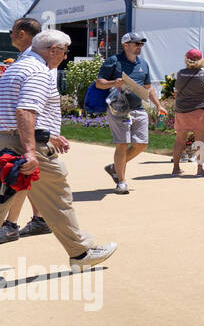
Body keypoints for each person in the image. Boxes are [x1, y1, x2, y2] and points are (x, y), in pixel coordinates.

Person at [0, 30, 116, 268]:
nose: (65, 58)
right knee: (58, 196)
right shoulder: (39, 72)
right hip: (26, 144)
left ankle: (80, 250)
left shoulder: (16, 68)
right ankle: (80, 253)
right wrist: (31, 151)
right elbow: (25, 111)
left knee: (6, 200)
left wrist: (50, 134)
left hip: (9, 139)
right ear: (53, 50)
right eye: (64, 52)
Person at [96, 31, 166, 194]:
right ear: (125, 45)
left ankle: (115, 167)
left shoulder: (144, 64)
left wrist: (158, 105)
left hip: (138, 109)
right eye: (136, 44)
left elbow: (148, 88)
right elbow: (99, 83)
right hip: (118, 109)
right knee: (122, 144)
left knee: (141, 144)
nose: (139, 47)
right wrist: (114, 82)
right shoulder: (113, 61)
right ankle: (121, 181)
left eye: (141, 44)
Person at [2, 17, 49, 240]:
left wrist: (47, 134)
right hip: (21, 133)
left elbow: (37, 103)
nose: (10, 35)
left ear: (22, 33)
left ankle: (14, 223)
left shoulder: (36, 61)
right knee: (20, 180)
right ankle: (18, 222)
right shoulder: (28, 59)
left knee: (15, 181)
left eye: (12, 31)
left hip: (22, 134)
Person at [170, 48, 204, 176]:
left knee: (179, 140)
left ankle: (176, 168)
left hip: (182, 110)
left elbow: (177, 89)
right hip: (200, 110)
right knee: (200, 141)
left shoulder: (180, 73)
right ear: (201, 60)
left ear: (186, 60)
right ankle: (199, 170)